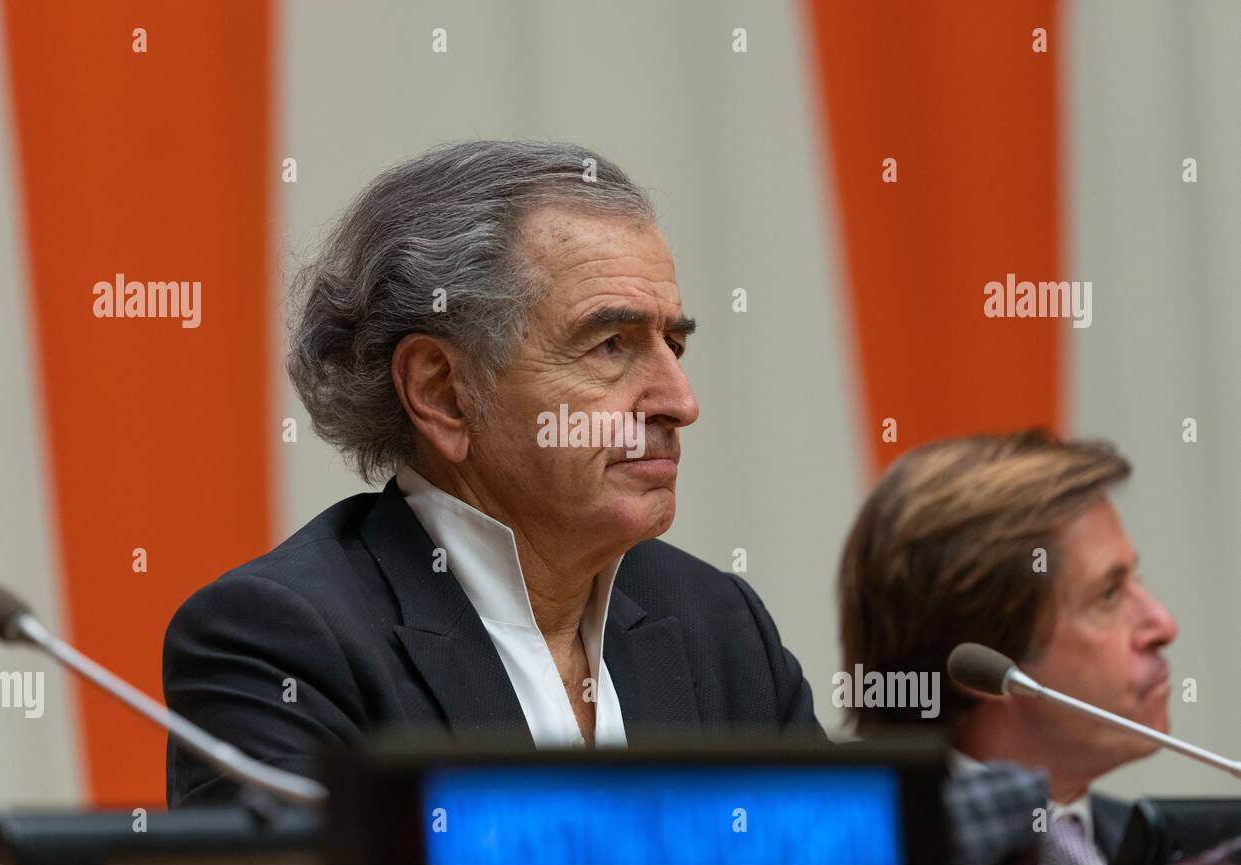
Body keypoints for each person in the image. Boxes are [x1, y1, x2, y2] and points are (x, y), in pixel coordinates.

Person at [162, 140, 824, 807]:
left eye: (672, 345)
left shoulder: (720, 627)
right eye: (610, 346)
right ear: (444, 392)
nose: (681, 402)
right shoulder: (283, 644)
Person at [837, 430, 1178, 864]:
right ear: (984, 660)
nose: (1164, 624)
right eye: (1108, 594)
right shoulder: (874, 851)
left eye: (1136, 579)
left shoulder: (1159, 845)